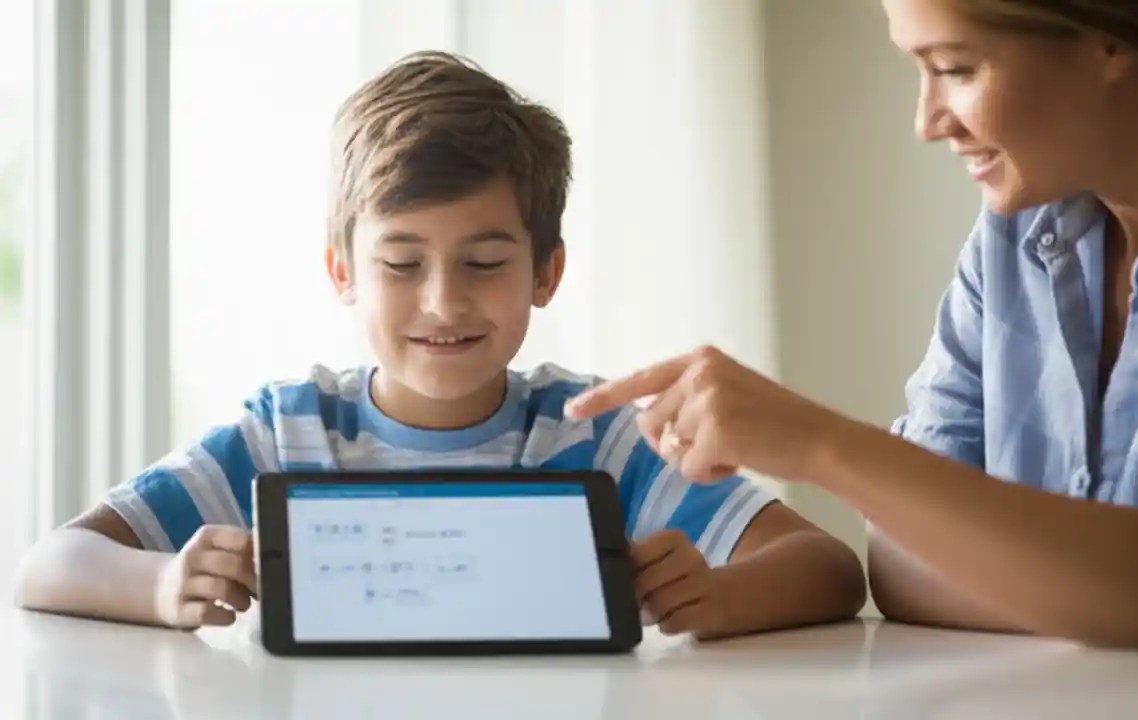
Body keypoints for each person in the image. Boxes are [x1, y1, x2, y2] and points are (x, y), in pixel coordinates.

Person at [13, 51, 866, 640]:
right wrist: (163, 585)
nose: (443, 300)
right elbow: (53, 564)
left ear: (546, 271)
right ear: (342, 269)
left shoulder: (596, 436)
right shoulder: (285, 434)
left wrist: (717, 594)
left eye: (486, 261)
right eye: (401, 262)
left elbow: (826, 568)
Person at [567, 0, 1138, 650]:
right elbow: (900, 561)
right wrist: (1119, 600)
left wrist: (820, 443)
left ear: (1112, 38)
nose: (927, 120)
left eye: (955, 69)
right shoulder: (1015, 241)